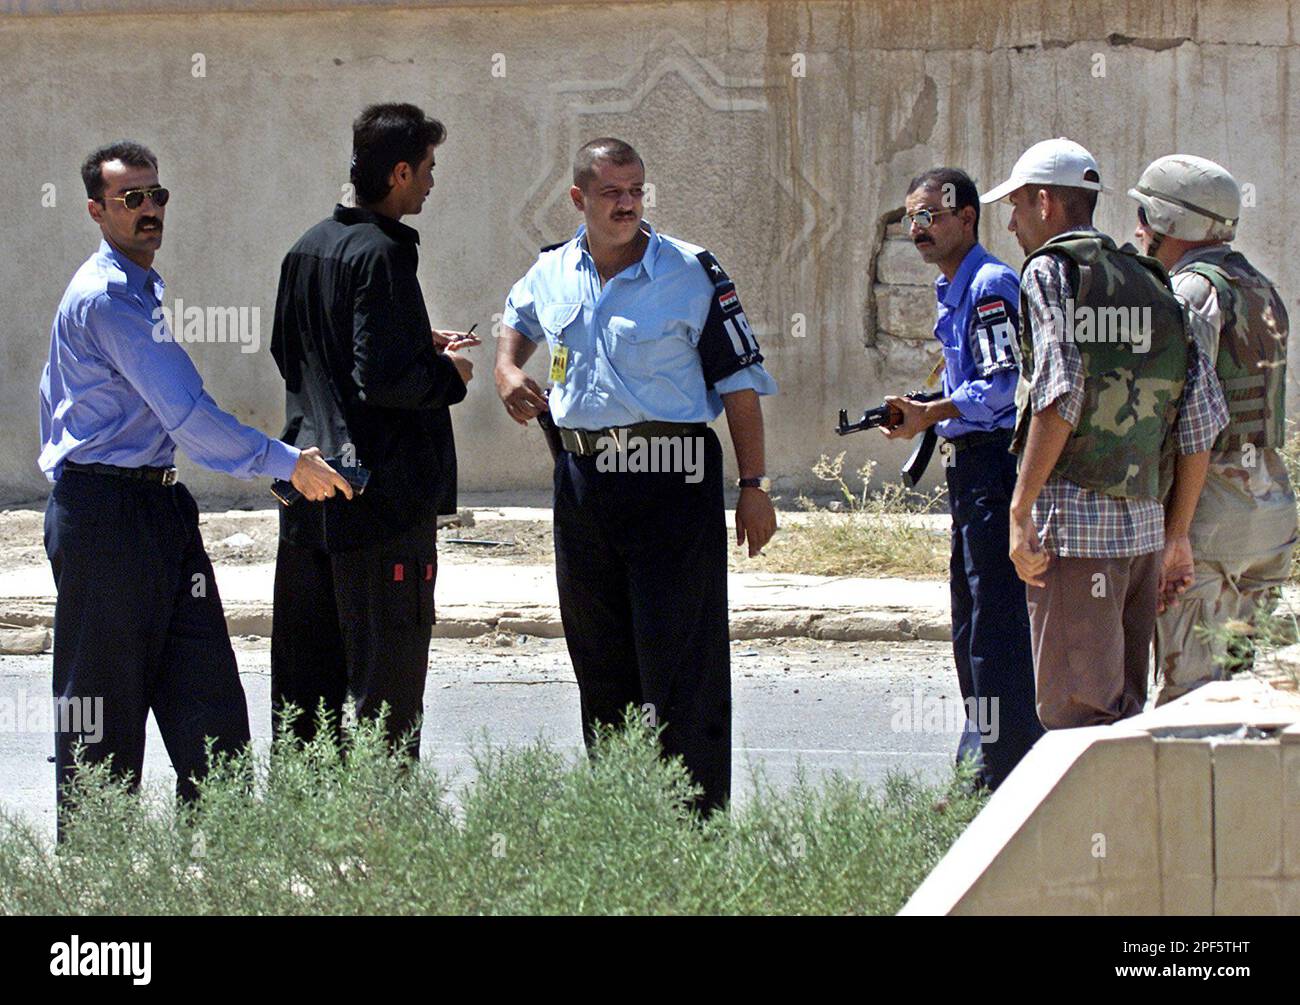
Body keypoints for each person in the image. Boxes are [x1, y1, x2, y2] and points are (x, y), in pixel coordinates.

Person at [39, 141, 349, 826]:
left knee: (211, 706)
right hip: (105, 514)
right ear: (96, 210)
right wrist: (287, 463)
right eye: (131, 199)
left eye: (157, 196)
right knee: (101, 720)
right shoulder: (108, 299)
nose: (149, 210)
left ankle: (224, 867)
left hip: (157, 508)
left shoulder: (138, 288)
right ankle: (96, 887)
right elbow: (187, 413)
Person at [494, 138, 778, 813]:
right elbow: (518, 318)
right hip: (584, 479)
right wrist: (507, 369)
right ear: (578, 199)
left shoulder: (690, 271)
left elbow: (740, 383)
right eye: (611, 192)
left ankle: (695, 826)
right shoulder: (553, 270)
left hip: (670, 480)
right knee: (600, 659)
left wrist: (754, 485)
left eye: (635, 190)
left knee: (682, 662)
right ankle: (624, 819)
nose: (626, 204)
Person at [981, 137, 1228, 729]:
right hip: (1141, 534)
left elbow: (1059, 390)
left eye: (1016, 206)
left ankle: (1097, 827)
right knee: (1123, 716)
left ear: (1045, 202)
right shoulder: (1148, 279)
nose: (1011, 223)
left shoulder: (1049, 271)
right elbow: (1200, 421)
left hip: (1073, 531)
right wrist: (1177, 537)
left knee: (1078, 723)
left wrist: (1020, 508)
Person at [269, 103, 476, 758]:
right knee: (385, 700)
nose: (432, 185)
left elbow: (291, 351)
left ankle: (304, 840)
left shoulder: (307, 246)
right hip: (381, 510)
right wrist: (452, 373)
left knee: (307, 697)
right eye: (428, 170)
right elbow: (383, 377)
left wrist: (418, 337)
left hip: (309, 504)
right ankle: (386, 844)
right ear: (399, 172)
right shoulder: (384, 252)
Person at [881, 167, 1042, 788]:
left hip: (994, 467)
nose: (918, 229)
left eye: (930, 217)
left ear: (966, 217)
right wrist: (923, 410)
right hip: (971, 471)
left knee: (995, 625)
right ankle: (982, 763)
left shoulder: (990, 283)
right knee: (971, 621)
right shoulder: (956, 286)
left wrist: (935, 412)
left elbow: (1001, 386)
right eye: (911, 219)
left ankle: (1000, 773)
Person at [1131, 155, 1297, 703]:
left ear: (1171, 223)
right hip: (1269, 512)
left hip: (1210, 519)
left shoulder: (1190, 293)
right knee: (1246, 700)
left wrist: (1173, 531)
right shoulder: (1261, 286)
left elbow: (1188, 419)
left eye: (1145, 215)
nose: (1139, 229)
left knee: (1193, 704)